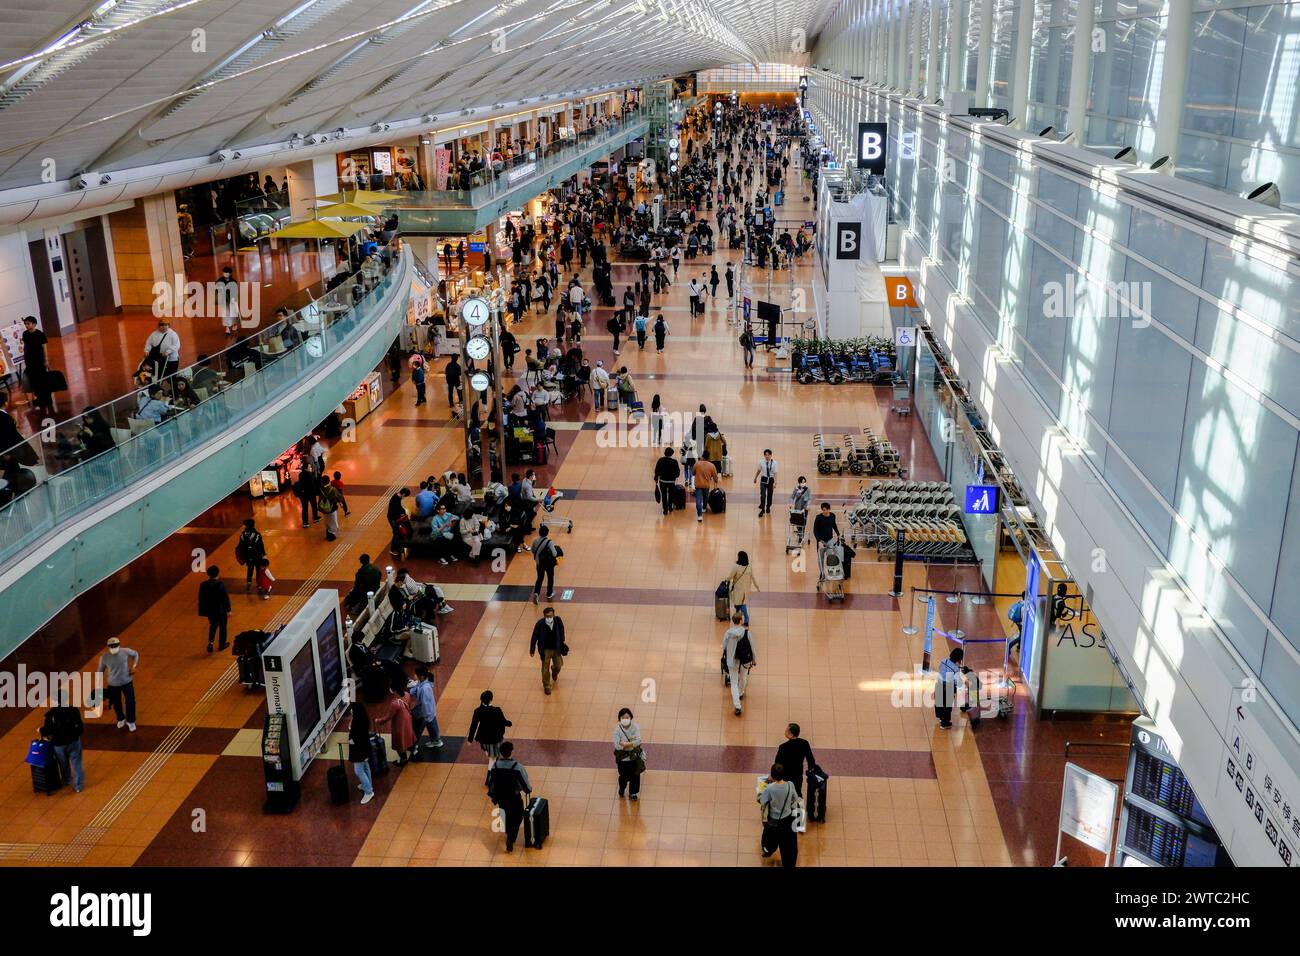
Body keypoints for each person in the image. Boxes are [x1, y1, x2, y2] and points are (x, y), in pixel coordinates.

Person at [488, 741, 532, 852]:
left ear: (501, 752)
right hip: (514, 798)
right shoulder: (517, 767)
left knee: (505, 815)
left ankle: (508, 832)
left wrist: (494, 796)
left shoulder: (495, 766)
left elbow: (491, 783)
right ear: (512, 752)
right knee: (517, 817)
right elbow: (526, 787)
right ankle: (510, 839)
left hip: (500, 798)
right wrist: (527, 790)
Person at [40, 692, 86, 792]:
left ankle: (67, 780)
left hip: (59, 745)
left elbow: (47, 731)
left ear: (56, 701)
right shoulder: (74, 710)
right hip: (74, 741)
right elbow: (81, 727)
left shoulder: (51, 715)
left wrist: (40, 730)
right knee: (77, 763)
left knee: (63, 763)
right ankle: (78, 786)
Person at [758, 763, 799, 867]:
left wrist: (760, 789)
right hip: (787, 819)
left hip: (774, 821)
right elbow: (795, 798)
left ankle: (769, 850)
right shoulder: (790, 785)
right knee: (787, 847)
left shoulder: (770, 788)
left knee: (770, 839)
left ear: (772, 775)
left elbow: (762, 801)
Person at [467, 689, 513, 783]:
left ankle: (491, 756)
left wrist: (470, 739)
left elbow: (473, 726)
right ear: (491, 699)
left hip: (483, 739)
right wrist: (509, 723)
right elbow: (503, 722)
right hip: (495, 739)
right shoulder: (497, 710)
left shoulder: (478, 711)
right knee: (492, 759)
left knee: (490, 754)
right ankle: (489, 779)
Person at [98, 638, 139, 732]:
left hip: (127, 682)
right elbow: (100, 671)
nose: (113, 648)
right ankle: (121, 718)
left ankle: (131, 721)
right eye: (111, 646)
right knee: (116, 703)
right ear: (108, 647)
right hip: (113, 684)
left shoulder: (125, 651)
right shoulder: (104, 657)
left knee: (130, 702)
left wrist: (134, 666)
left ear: (119, 644)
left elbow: (135, 654)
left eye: (115, 645)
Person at [371, 688, 417, 766]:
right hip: (408, 722)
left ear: (395, 691)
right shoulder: (407, 694)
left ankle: (403, 759)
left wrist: (378, 721)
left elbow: (388, 717)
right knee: (409, 738)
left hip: (399, 726)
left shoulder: (395, 704)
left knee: (400, 743)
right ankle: (414, 753)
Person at [721, 612, 755, 715]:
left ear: (733, 621)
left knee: (734, 682)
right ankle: (741, 693)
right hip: (745, 660)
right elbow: (753, 648)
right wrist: (754, 659)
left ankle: (738, 706)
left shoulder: (728, 633)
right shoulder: (747, 633)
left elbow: (724, 646)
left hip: (732, 661)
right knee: (743, 677)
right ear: (741, 621)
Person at [528, 605, 566, 694]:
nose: (550, 618)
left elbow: (561, 630)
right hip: (545, 650)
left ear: (554, 614)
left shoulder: (557, 621)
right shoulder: (540, 624)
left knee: (559, 665)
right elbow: (535, 636)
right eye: (548, 616)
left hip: (556, 648)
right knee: (545, 668)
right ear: (544, 616)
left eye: (551, 616)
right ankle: (547, 685)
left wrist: (562, 640)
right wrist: (532, 649)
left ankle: (554, 671)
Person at [408, 666, 444, 751]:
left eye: (416, 674)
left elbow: (426, 704)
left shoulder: (425, 688)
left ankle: (415, 745)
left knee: (418, 728)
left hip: (425, 712)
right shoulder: (421, 683)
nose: (414, 675)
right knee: (432, 726)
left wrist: (426, 716)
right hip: (427, 712)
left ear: (422, 676)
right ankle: (435, 740)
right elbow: (414, 691)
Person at [775, 723, 816, 796]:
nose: (784, 731)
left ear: (790, 733)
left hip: (785, 777)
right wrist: (810, 772)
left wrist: (775, 777)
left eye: (786, 730)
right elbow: (811, 760)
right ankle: (798, 806)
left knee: (786, 795)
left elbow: (777, 764)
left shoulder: (783, 747)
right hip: (798, 775)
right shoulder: (804, 743)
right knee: (797, 793)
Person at [197, 565, 231, 654]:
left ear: (208, 574)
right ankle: (222, 645)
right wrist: (229, 609)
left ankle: (210, 643)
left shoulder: (203, 585)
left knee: (213, 625)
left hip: (210, 610)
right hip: (220, 610)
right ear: (217, 574)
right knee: (223, 627)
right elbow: (225, 598)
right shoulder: (220, 585)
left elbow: (201, 598)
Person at [20, 316, 51, 410]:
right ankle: (39, 398)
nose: (26, 325)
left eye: (28, 324)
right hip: (29, 361)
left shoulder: (40, 334)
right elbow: (25, 345)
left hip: (39, 361)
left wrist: (46, 360)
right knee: (33, 380)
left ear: (34, 324)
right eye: (25, 324)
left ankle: (46, 398)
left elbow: (44, 347)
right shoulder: (25, 334)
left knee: (42, 379)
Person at [348, 702, 376, 804]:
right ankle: (368, 785)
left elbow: (353, 733)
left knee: (358, 770)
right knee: (365, 766)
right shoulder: (364, 718)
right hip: (365, 747)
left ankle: (368, 791)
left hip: (359, 750)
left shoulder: (356, 722)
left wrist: (351, 739)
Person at [613, 707, 644, 799]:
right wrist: (632, 743)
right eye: (623, 717)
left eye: (627, 717)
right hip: (623, 759)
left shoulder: (635, 727)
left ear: (631, 717)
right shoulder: (617, 731)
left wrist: (626, 744)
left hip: (634, 757)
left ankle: (633, 793)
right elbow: (617, 746)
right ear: (619, 719)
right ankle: (622, 788)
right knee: (623, 776)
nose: (625, 719)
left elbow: (639, 741)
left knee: (635, 775)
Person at [935, 647, 965, 729]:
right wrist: (964, 688)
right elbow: (958, 682)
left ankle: (939, 717)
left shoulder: (943, 661)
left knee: (939, 702)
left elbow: (940, 670)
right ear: (959, 659)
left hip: (939, 684)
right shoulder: (956, 669)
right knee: (947, 706)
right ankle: (945, 723)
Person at [726, 550, 760, 626]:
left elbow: (730, 576)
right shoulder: (749, 566)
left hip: (738, 590)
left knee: (740, 604)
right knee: (741, 603)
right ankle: (738, 617)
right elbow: (753, 578)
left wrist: (726, 580)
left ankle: (745, 619)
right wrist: (757, 587)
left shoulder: (736, 567)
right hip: (746, 590)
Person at [529, 525, 561, 604]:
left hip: (539, 563)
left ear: (539, 532)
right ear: (547, 533)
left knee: (539, 578)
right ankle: (549, 593)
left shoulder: (535, 540)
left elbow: (532, 550)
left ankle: (536, 593)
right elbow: (554, 554)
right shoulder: (549, 542)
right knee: (550, 578)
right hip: (548, 564)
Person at [236, 518, 265, 591]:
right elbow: (261, 545)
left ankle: (249, 582)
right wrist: (264, 554)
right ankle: (259, 584)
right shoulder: (257, 535)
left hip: (248, 556)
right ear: (253, 525)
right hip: (257, 555)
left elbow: (241, 546)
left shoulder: (242, 535)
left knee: (250, 569)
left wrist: (243, 555)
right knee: (258, 569)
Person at [812, 501, 840, 576]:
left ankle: (830, 571)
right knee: (820, 559)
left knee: (830, 557)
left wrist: (838, 534)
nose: (825, 511)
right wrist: (819, 541)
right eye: (823, 510)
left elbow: (834, 525)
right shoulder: (818, 518)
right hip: (821, 541)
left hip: (830, 540)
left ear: (829, 509)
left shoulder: (832, 516)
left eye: (826, 510)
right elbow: (815, 530)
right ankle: (822, 573)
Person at [653, 446, 680, 516]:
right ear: (672, 454)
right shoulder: (674, 462)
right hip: (671, 482)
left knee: (664, 495)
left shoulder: (660, 460)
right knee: (671, 495)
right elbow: (677, 473)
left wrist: (656, 478)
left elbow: (657, 471)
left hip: (662, 481)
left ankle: (665, 510)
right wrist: (674, 476)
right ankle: (670, 507)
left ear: (665, 453)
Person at [693, 454, 719, 522]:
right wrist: (715, 482)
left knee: (698, 500)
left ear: (703, 457)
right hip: (706, 485)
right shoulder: (711, 465)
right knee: (705, 497)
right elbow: (715, 477)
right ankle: (704, 508)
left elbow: (693, 473)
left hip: (698, 485)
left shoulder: (697, 464)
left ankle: (699, 516)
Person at [753, 448, 778, 517]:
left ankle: (768, 507)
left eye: (768, 455)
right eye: (765, 455)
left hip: (770, 480)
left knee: (770, 495)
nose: (767, 456)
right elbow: (758, 470)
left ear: (771, 455)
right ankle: (762, 509)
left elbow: (775, 473)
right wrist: (755, 478)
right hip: (763, 479)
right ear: (764, 455)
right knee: (763, 495)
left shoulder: (775, 463)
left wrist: (775, 482)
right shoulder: (761, 462)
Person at [318, 473, 342, 541]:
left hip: (324, 508)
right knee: (333, 522)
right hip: (332, 508)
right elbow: (339, 498)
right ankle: (331, 535)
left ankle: (328, 533)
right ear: (329, 481)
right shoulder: (332, 489)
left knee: (327, 521)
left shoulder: (321, 489)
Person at [387, 487, 411, 556]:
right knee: (396, 533)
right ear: (403, 494)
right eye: (405, 496)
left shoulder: (397, 496)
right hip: (392, 518)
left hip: (395, 517)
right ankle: (392, 549)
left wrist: (402, 511)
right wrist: (401, 517)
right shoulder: (396, 499)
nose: (404, 497)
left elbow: (399, 507)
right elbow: (395, 510)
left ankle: (398, 546)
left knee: (398, 532)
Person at [1007, 591, 1026, 656]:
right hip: (1021, 623)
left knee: (1021, 634)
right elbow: (1023, 619)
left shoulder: (1019, 601)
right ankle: (1010, 645)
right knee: (1022, 637)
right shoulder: (1024, 607)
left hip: (1017, 622)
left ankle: (1019, 647)